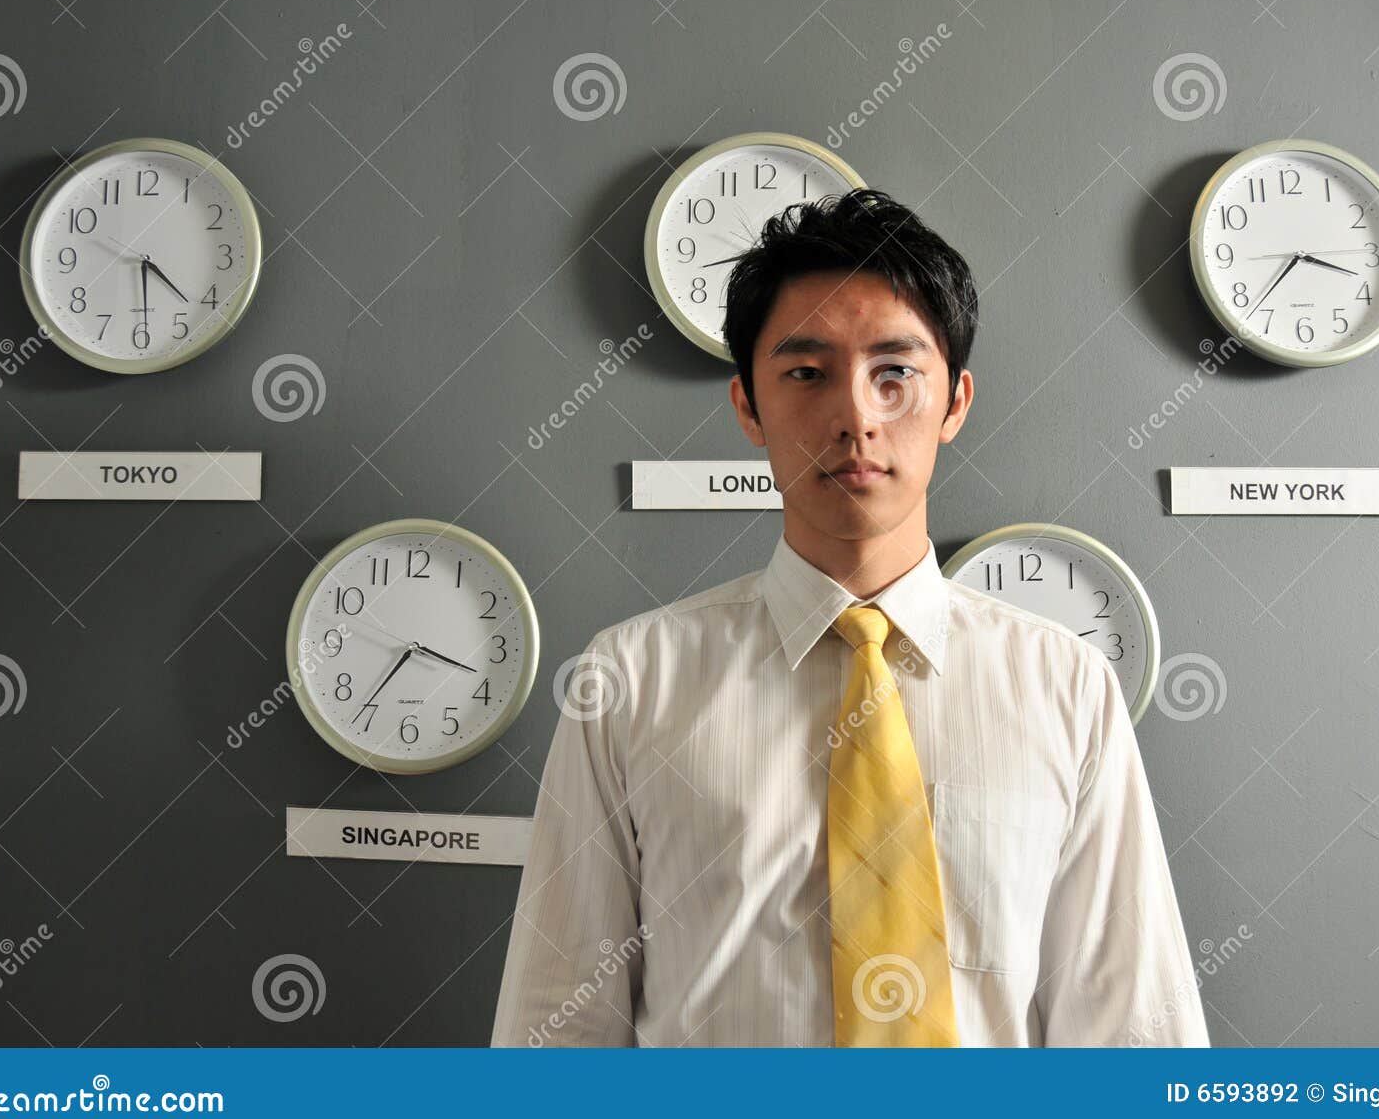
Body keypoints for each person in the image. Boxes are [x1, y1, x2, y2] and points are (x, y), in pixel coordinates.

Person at [491, 188, 1209, 1047]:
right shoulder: (630, 682)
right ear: (748, 407)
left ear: (955, 403)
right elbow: (557, 1031)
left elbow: (1131, 1036)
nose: (857, 418)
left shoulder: (1066, 686)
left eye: (895, 373)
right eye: (806, 373)